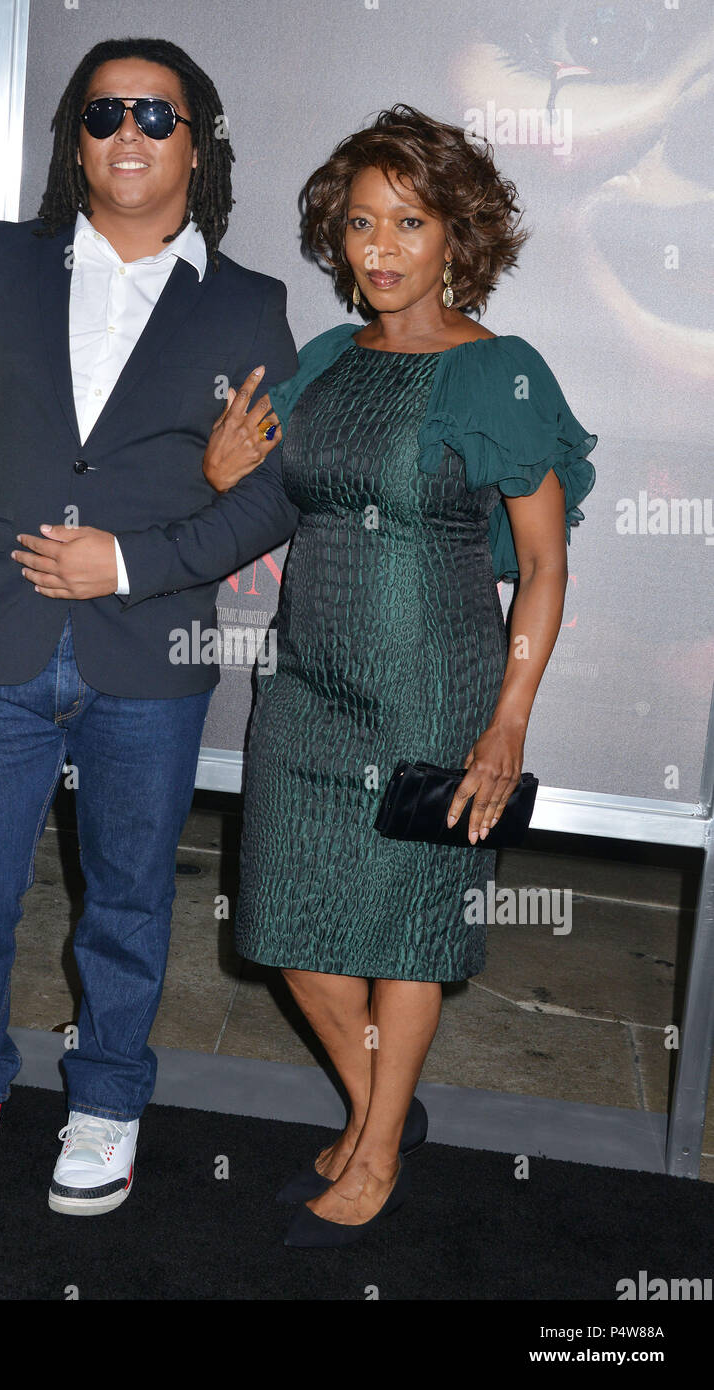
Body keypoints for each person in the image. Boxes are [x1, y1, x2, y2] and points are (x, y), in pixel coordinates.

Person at [0, 37, 300, 1213]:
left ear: (196, 143)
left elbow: (275, 492)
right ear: (76, 139)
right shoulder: (4, 266)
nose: (130, 132)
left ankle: (108, 1096)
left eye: (157, 115)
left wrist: (128, 560)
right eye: (105, 112)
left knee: (126, 899)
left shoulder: (247, 305)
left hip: (151, 653)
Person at [203, 104, 597, 1247]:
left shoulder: (499, 373)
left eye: (408, 222)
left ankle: (371, 1156)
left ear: (455, 236)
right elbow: (271, 500)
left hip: (433, 682)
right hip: (309, 678)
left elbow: (543, 562)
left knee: (404, 932)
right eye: (360, 223)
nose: (379, 248)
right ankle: (387, 1106)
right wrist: (221, 467)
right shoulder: (326, 358)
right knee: (287, 927)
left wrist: (507, 719)